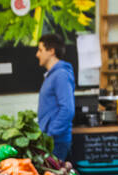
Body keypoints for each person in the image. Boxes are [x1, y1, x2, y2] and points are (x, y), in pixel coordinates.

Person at [36, 32, 76, 161]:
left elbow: (68, 109)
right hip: (52, 141)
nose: (37, 54)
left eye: (40, 50)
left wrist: (51, 134)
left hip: (57, 142)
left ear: (51, 51)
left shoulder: (61, 75)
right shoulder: (52, 75)